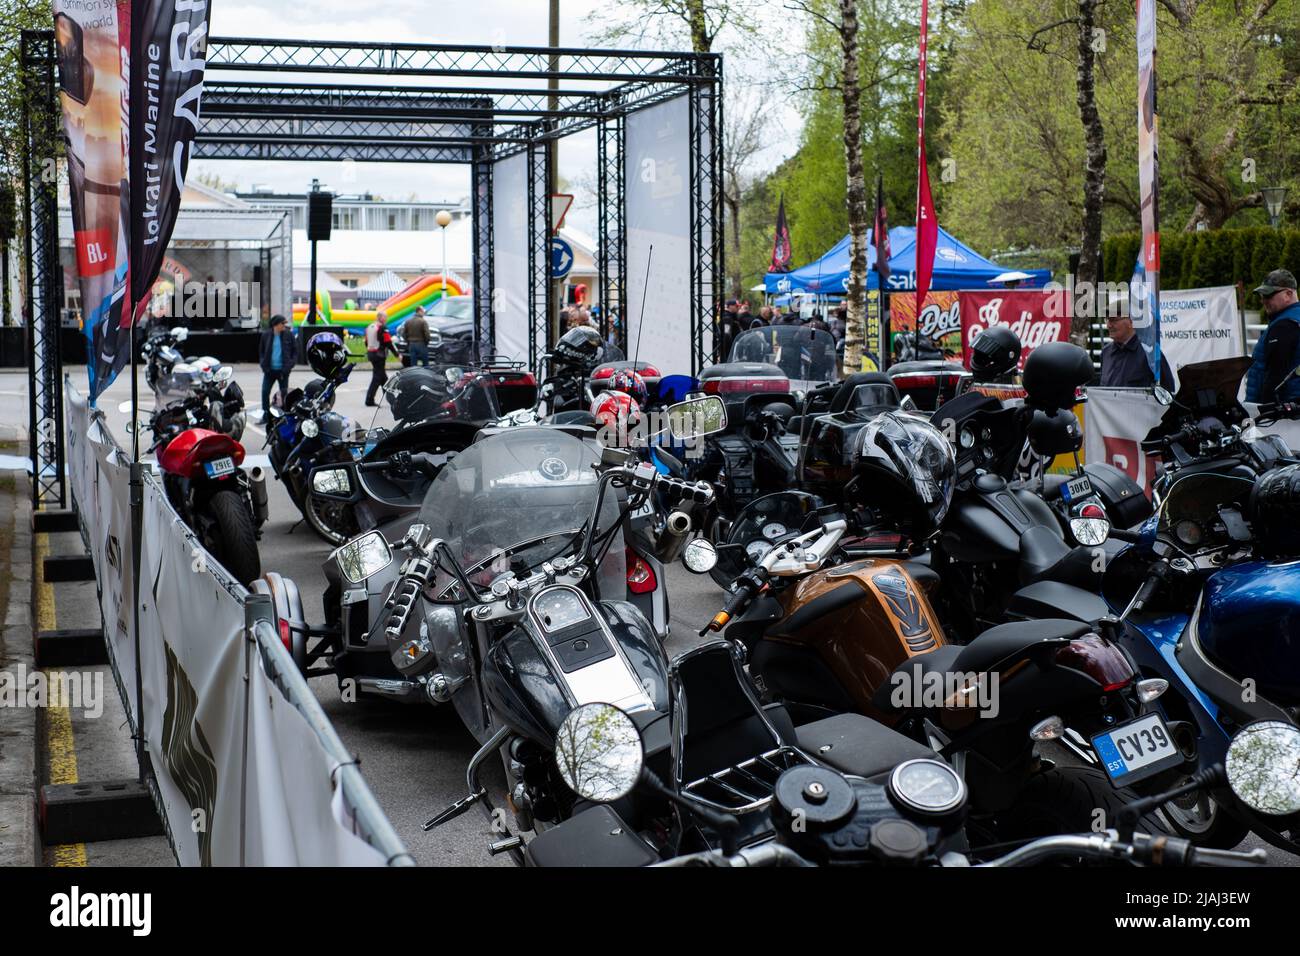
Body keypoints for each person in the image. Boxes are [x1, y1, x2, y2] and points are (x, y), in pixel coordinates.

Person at [1246, 269, 1300, 402]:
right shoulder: (1293, 319)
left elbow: (1274, 377)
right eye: (1262, 296)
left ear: (1288, 294)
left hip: (1282, 414)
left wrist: (1261, 413)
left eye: (1268, 295)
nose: (1263, 301)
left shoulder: (1284, 325)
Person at [1099, 311, 1174, 388]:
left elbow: (1167, 392)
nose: (1108, 325)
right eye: (1107, 320)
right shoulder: (1106, 353)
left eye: (1113, 320)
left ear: (1131, 322)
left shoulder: (1150, 354)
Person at [258, 314, 298, 418]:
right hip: (269, 371)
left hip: (283, 371)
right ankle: (266, 415)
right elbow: (261, 352)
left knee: (284, 395)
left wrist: (289, 366)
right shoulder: (266, 335)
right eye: (282, 323)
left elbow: (295, 351)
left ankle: (283, 416)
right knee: (265, 392)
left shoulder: (289, 334)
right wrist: (264, 365)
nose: (284, 325)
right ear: (275, 325)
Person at [365, 310, 399, 406]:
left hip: (371, 353)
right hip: (379, 355)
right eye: (385, 317)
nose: (386, 319)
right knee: (377, 378)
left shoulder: (370, 327)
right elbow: (388, 342)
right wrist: (397, 354)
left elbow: (366, 342)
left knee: (383, 378)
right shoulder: (382, 328)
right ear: (380, 318)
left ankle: (392, 400)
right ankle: (369, 400)